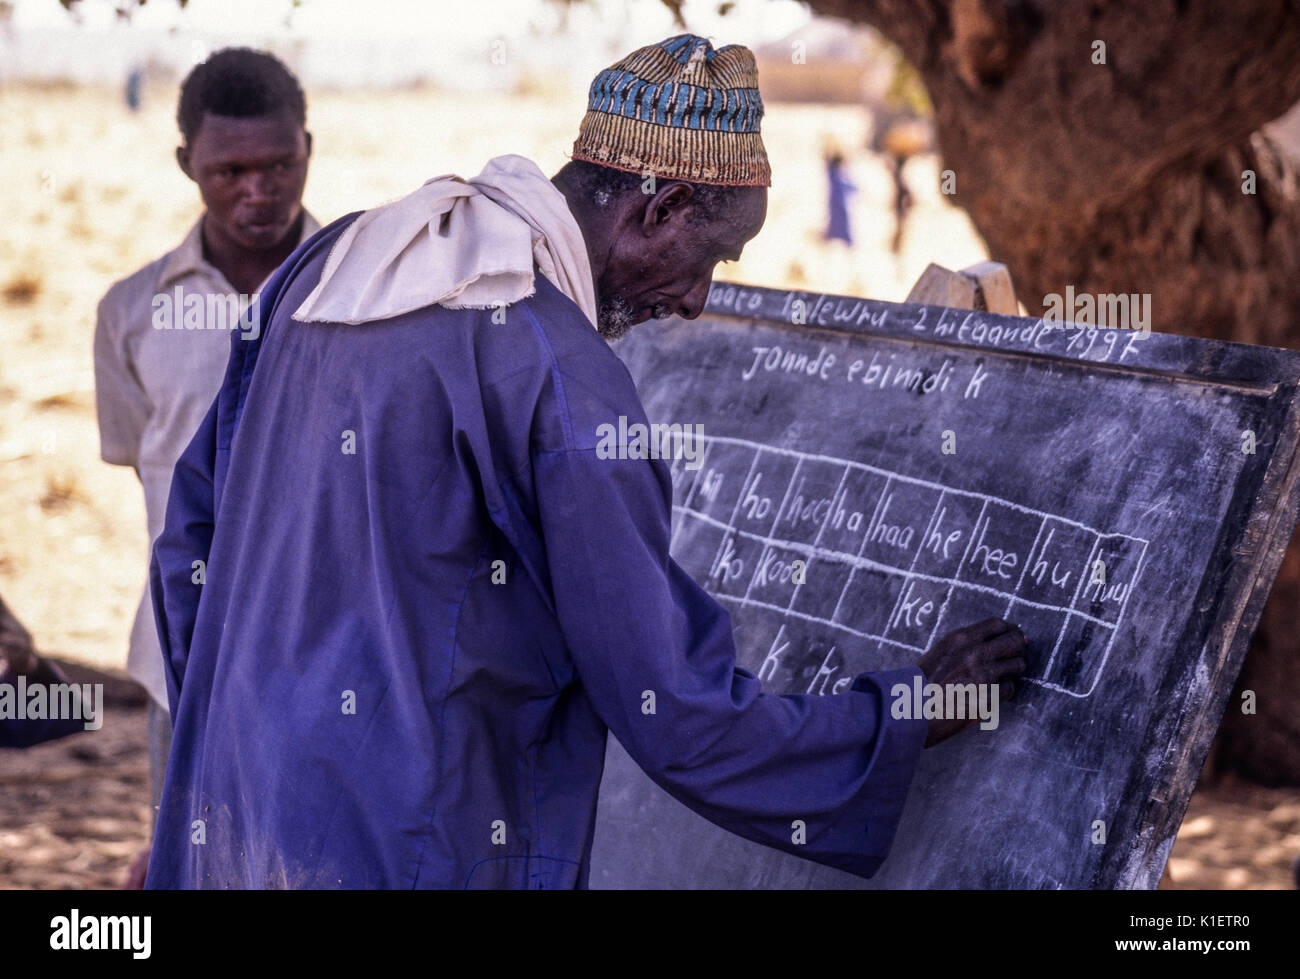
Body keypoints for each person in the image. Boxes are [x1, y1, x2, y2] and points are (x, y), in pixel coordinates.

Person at [146, 34, 1026, 889]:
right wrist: (904, 714)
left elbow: (186, 541)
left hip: (230, 816)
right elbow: (672, 706)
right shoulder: (560, 377)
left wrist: (228, 728)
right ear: (662, 208)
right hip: (408, 844)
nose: (694, 301)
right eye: (712, 258)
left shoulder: (336, 262)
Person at [92, 47, 319, 884]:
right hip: (181, 665)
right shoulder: (133, 313)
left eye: (279, 164)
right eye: (229, 171)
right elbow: (145, 479)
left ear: (309, 148)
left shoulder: (367, 293)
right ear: (187, 161)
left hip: (336, 665)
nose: (258, 191)